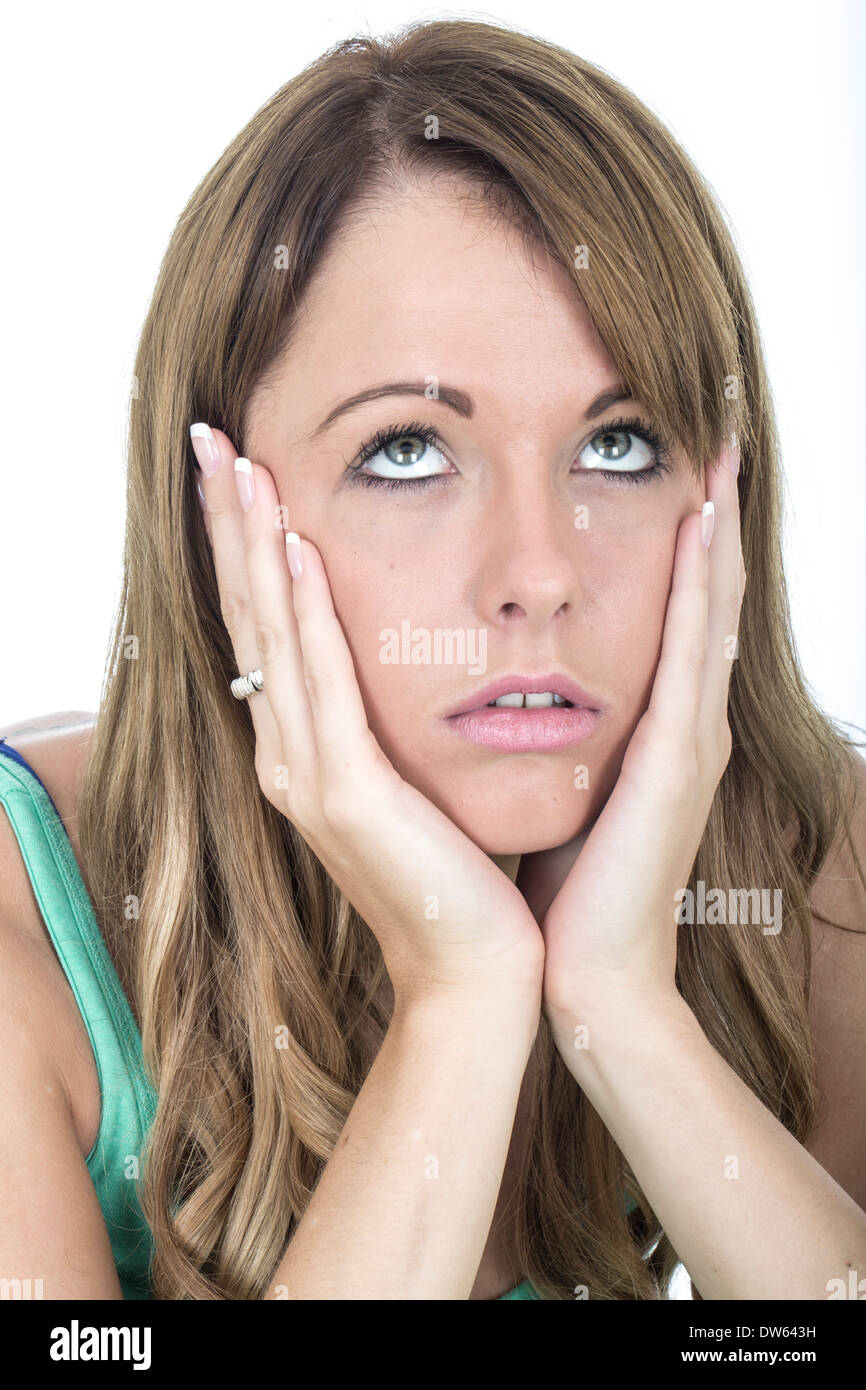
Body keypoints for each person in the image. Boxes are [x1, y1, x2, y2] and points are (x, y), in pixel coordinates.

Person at [1, 17, 864, 1302]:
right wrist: (458, 1000)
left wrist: (624, 1010)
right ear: (218, 523)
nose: (538, 573)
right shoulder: (25, 951)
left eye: (618, 444)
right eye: (405, 449)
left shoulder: (810, 860)